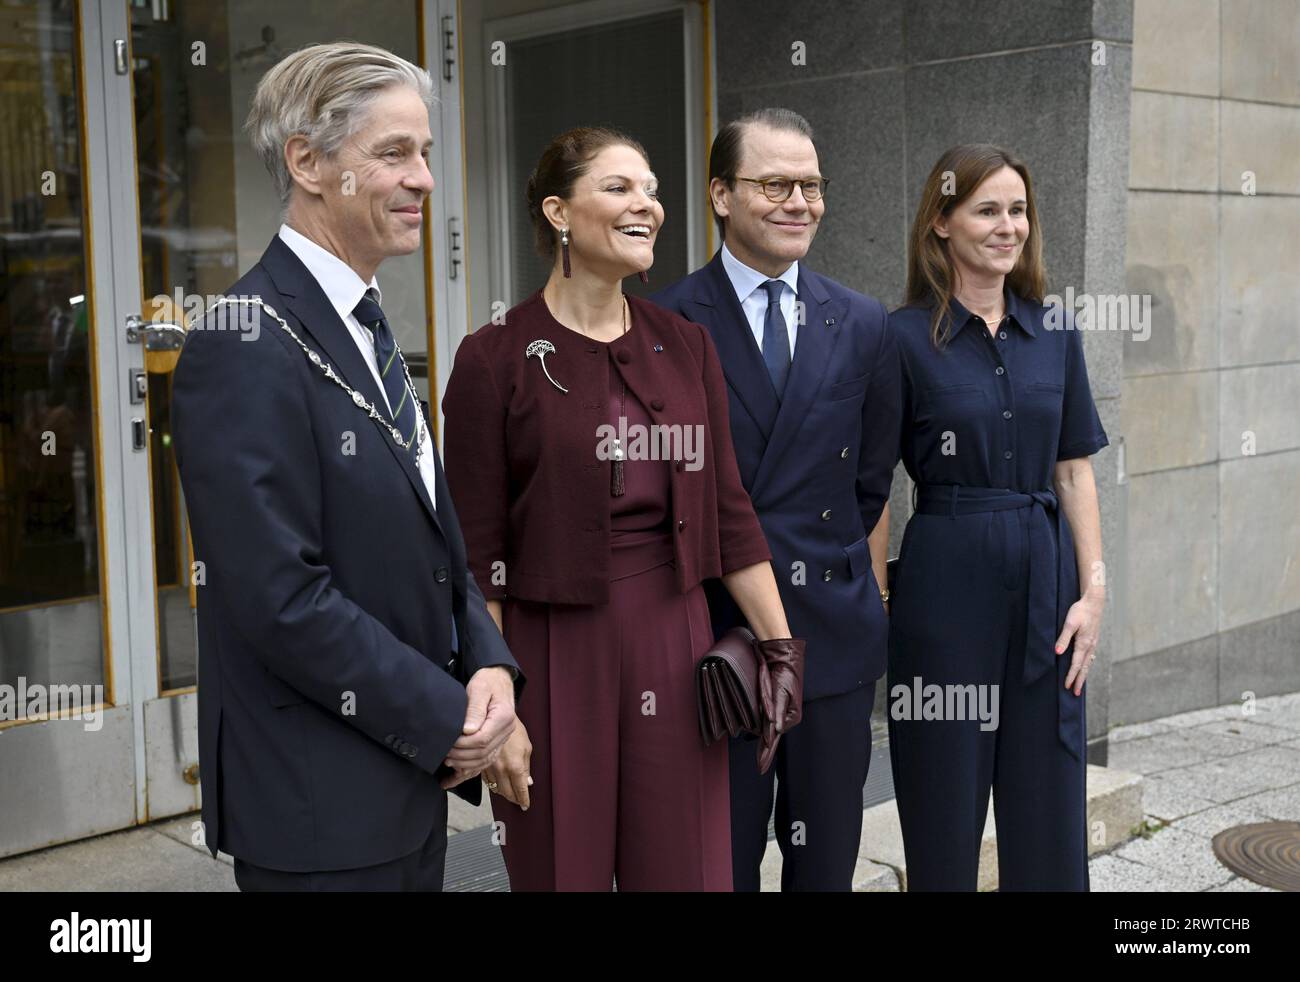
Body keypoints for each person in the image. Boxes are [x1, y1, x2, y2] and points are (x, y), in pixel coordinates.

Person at [171, 41, 521, 892]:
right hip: (317, 810)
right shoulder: (242, 340)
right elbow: (278, 598)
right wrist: (449, 719)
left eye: (426, 153)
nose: (425, 179)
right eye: (395, 152)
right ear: (308, 163)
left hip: (405, 784)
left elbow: (435, 536)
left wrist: (489, 665)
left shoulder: (364, 324)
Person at [441, 126, 804, 891]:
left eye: (652, 190)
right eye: (619, 188)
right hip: (545, 652)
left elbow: (729, 514)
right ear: (559, 213)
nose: (648, 205)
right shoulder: (493, 356)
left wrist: (779, 650)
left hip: (674, 638)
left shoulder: (687, 345)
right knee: (559, 870)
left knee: (686, 871)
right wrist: (494, 695)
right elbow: (478, 557)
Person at [652, 108, 901, 891]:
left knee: (823, 864)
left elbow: (870, 480)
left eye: (813, 185)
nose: (800, 202)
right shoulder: (662, 319)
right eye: (776, 184)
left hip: (829, 635)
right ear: (722, 195)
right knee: (716, 866)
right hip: (712, 641)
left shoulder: (861, 321)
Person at [887, 143, 1108, 891]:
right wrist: (881, 598)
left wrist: (1093, 591)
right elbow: (868, 480)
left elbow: (1073, 468)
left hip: (1047, 588)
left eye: (1018, 210)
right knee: (942, 798)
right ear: (942, 222)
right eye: (987, 210)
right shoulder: (903, 337)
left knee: (1049, 795)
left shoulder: (1056, 331)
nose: (1008, 226)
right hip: (945, 585)